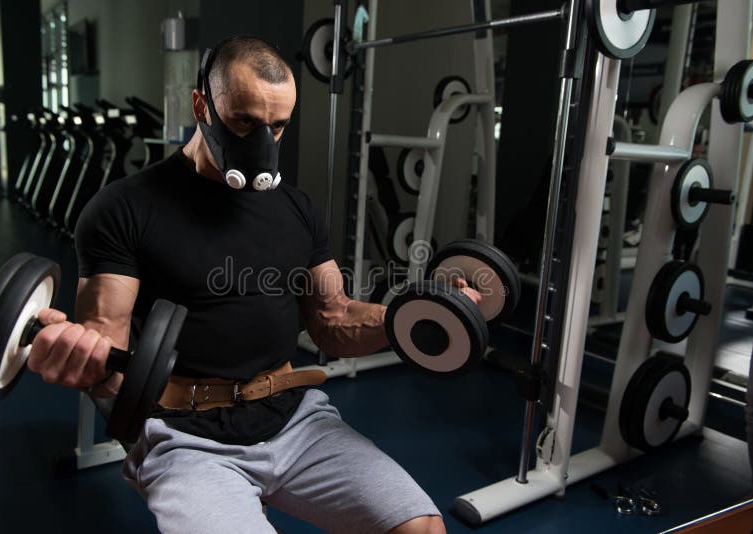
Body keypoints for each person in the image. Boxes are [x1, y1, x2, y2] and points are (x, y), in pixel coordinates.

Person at [26, 36, 481, 533]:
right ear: (203, 105)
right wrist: (78, 356)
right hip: (184, 436)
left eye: (278, 126)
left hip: (296, 420)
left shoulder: (298, 209)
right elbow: (108, 343)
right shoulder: (123, 209)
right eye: (244, 120)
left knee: (421, 528)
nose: (262, 141)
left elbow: (333, 319)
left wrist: (415, 315)